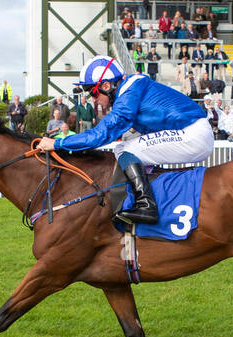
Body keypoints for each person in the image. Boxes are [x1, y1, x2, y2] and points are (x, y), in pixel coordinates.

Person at [32, 55, 212, 226]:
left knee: (125, 150)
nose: (93, 100)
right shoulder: (130, 89)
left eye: (93, 93)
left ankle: (146, 205)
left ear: (107, 85)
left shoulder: (129, 92)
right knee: (126, 148)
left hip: (193, 133)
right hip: (192, 131)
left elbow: (101, 135)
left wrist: (57, 143)